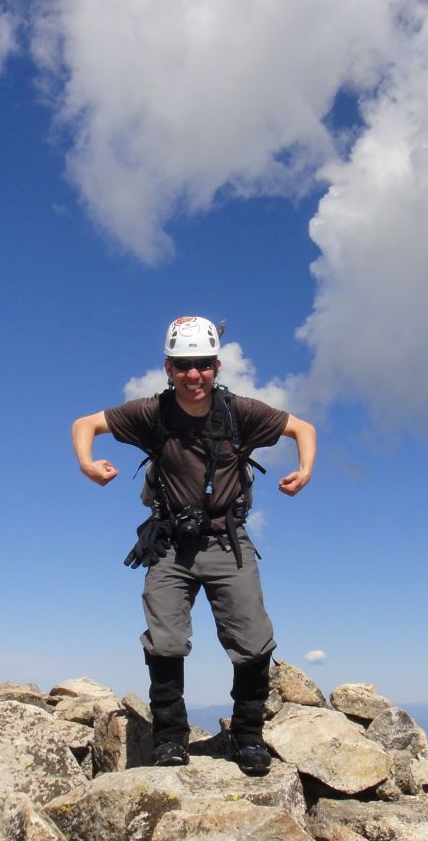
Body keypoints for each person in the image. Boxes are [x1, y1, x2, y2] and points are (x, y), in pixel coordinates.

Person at [71, 316, 316, 775]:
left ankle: (248, 738)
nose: (193, 375)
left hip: (228, 542)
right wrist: (86, 464)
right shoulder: (152, 413)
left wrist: (304, 471)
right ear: (168, 368)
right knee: (164, 641)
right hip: (169, 544)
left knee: (253, 641)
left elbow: (303, 428)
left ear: (217, 366)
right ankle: (169, 739)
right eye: (183, 365)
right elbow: (85, 423)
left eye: (202, 364)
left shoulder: (240, 411)